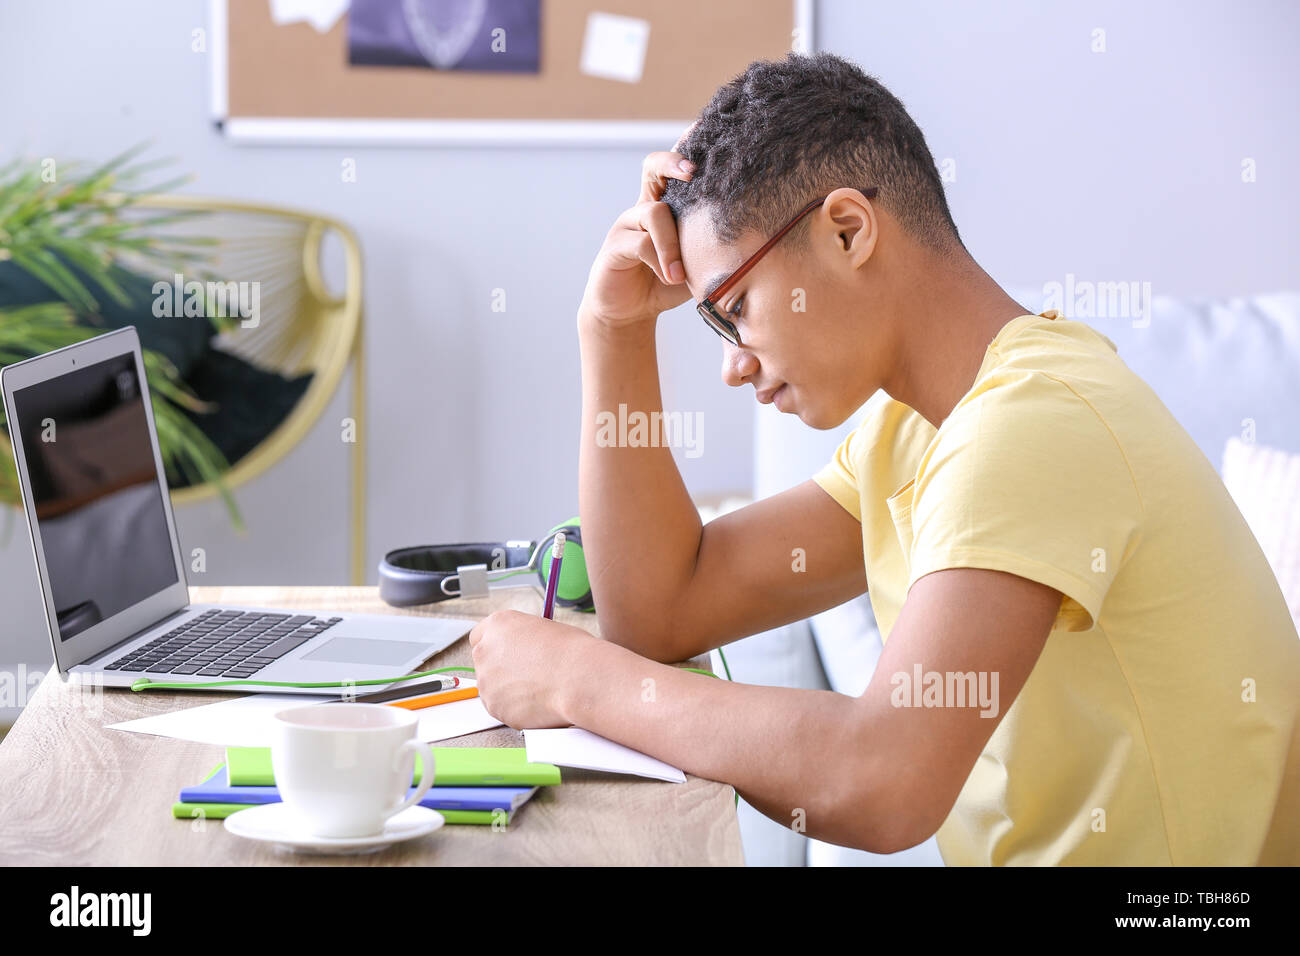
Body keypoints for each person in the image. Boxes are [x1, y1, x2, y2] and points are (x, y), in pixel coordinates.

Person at [468, 51, 1300, 864]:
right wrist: (612, 329)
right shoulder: (920, 430)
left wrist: (579, 682)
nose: (733, 362)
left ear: (846, 230)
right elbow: (662, 611)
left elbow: (882, 779)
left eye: (735, 311)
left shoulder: (1035, 424)